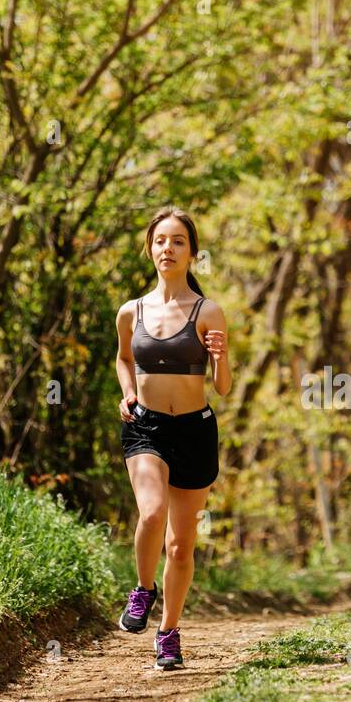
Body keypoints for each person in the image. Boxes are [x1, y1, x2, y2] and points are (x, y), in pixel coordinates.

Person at [114, 206, 232, 670]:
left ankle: (169, 632)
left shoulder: (209, 311)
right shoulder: (131, 312)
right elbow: (124, 359)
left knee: (181, 545)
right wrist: (127, 393)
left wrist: (220, 357)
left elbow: (222, 387)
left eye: (178, 241)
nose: (168, 248)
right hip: (145, 427)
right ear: (150, 249)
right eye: (161, 240)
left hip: (195, 430)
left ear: (192, 253)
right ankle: (144, 588)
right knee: (152, 511)